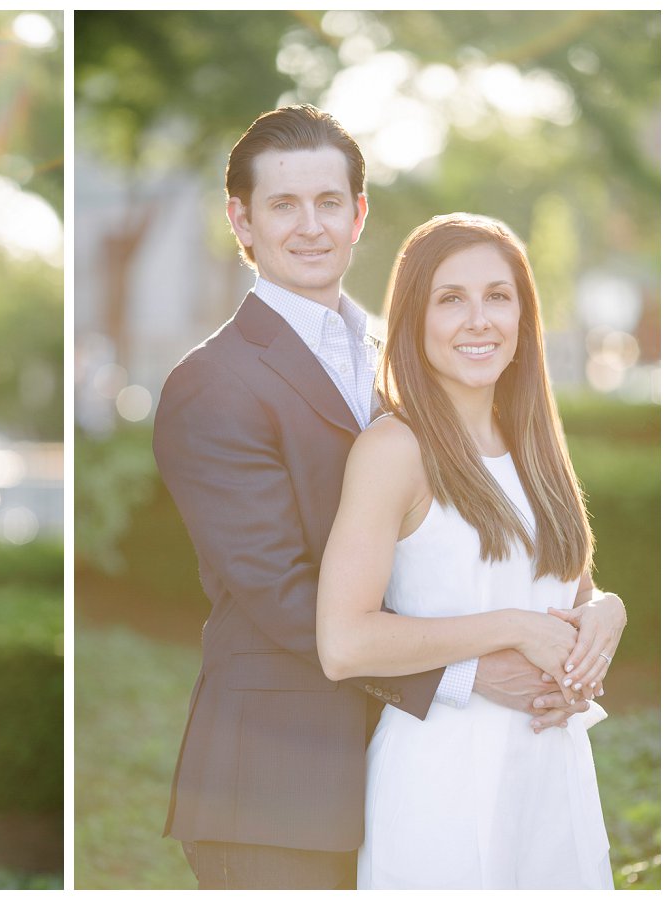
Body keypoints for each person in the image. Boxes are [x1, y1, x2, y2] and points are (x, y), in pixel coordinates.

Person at [152, 105, 597, 889]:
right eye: (283, 205)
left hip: (404, 763)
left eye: (329, 202)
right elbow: (281, 592)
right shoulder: (211, 384)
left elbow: (471, 536)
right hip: (276, 785)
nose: (310, 226)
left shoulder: (403, 356)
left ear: (360, 215)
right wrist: (470, 673)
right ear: (241, 220)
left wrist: (599, 613)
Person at [315, 214, 619, 888]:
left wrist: (607, 612)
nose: (478, 320)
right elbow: (344, 641)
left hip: (553, 780)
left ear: (524, 317)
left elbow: (568, 592)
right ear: (415, 320)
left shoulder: (534, 442)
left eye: (498, 296)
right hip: (443, 784)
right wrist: (510, 630)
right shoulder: (395, 451)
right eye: (451, 299)